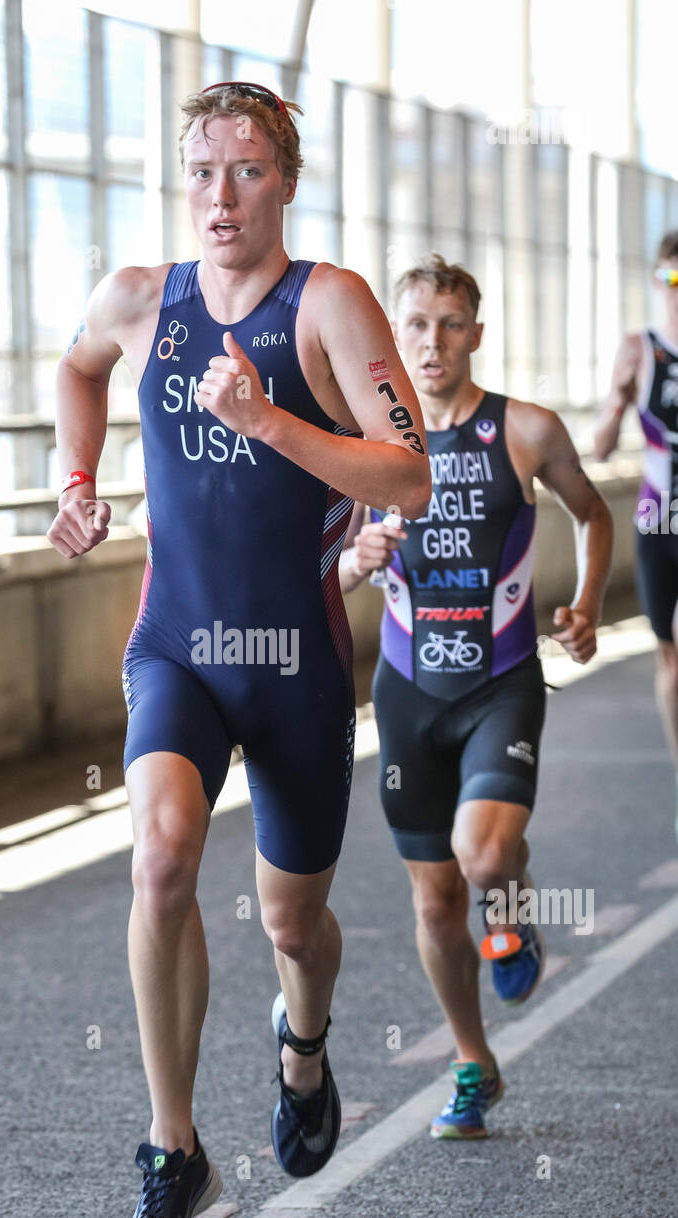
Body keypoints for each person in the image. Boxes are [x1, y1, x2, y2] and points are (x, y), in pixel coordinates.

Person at [47, 82, 430, 1218]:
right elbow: (75, 371)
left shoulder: (331, 303)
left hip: (296, 661)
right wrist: (74, 481)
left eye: (248, 170)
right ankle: (173, 1151)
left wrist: (270, 422)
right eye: (202, 170)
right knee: (159, 855)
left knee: (289, 919)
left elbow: (406, 479)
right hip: (178, 647)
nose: (222, 195)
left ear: (287, 180)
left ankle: (301, 1046)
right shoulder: (136, 299)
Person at [341, 253, 612, 1139]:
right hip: (408, 695)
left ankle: (514, 906)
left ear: (476, 335)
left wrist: (587, 607)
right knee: (432, 902)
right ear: (394, 335)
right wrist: (355, 562)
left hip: (499, 682)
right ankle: (473, 1062)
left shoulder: (524, 430)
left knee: (485, 858)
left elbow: (595, 511)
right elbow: (327, 563)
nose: (432, 341)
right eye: (415, 323)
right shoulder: (364, 440)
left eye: (450, 323)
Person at [594, 230, 678, 837]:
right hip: (656, 520)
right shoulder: (640, 350)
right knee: (669, 656)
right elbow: (599, 447)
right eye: (671, 279)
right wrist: (617, 403)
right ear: (657, 280)